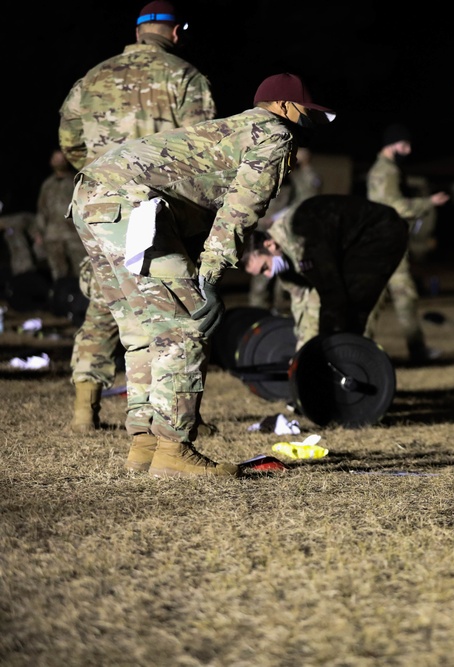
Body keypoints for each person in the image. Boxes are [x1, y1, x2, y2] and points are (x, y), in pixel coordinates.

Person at [69, 72, 336, 478]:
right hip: (129, 202)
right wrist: (209, 278)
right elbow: (239, 211)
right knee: (186, 324)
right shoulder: (274, 134)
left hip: (93, 196)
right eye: (305, 115)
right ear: (282, 107)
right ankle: (173, 450)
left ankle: (146, 443)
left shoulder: (226, 132)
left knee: (145, 329)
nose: (306, 130)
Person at [58, 0, 216, 434]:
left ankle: (83, 408)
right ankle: (169, 419)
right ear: (175, 33)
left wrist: (99, 177)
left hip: (100, 204)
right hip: (156, 207)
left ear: (137, 30)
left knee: (107, 299)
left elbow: (70, 141)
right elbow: (201, 149)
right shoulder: (184, 76)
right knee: (168, 308)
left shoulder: (92, 78)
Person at [242, 194, 409, 348]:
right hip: (348, 245)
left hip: (380, 231)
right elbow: (302, 307)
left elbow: (331, 294)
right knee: (339, 315)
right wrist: (303, 352)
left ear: (269, 245)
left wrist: (323, 347)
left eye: (265, 267)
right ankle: (340, 355)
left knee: (352, 307)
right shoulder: (282, 258)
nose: (268, 275)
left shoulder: (301, 238)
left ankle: (351, 358)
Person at [366, 123, 449, 365]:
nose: (408, 150)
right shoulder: (386, 171)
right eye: (405, 144)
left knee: (403, 296)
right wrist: (428, 202)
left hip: (387, 242)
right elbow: (396, 206)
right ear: (392, 145)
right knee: (383, 298)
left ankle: (416, 349)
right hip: (385, 244)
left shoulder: (387, 169)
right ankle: (362, 348)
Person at [248, 146, 323, 314]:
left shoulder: (296, 178)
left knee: (282, 282)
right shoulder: (265, 171)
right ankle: (258, 317)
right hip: (263, 233)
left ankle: (279, 317)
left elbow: (309, 195)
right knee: (261, 279)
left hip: (282, 235)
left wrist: (305, 166)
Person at [35, 149, 85, 284]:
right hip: (53, 235)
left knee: (82, 270)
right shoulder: (47, 185)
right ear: (51, 162)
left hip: (74, 234)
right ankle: (62, 298)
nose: (59, 161)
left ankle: (84, 300)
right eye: (56, 159)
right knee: (58, 273)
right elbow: (41, 210)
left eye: (62, 159)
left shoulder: (76, 181)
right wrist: (39, 233)